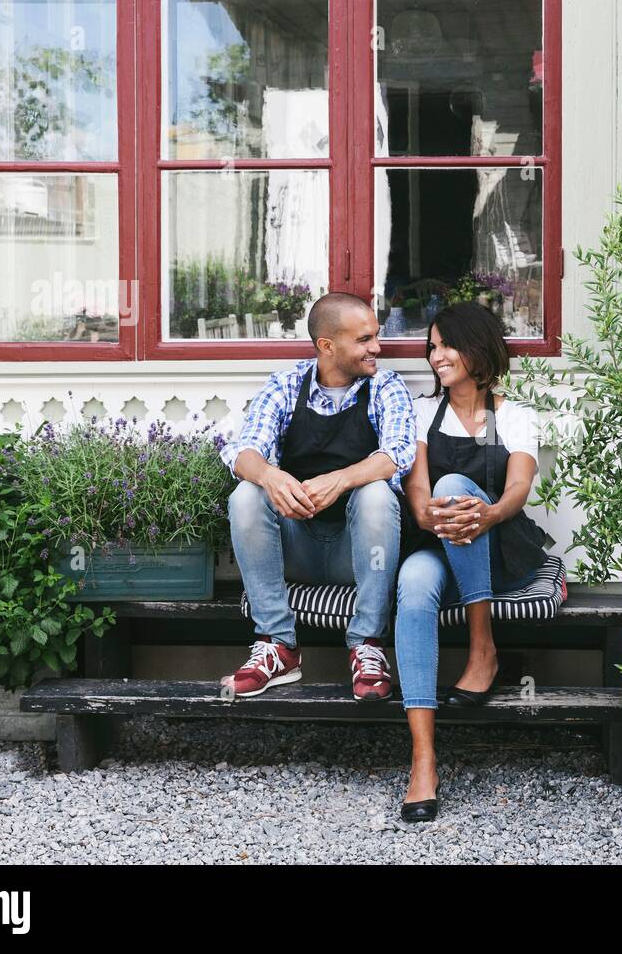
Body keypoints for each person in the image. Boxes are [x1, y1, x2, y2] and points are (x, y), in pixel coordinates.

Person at [393, 302, 550, 822]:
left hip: (499, 546)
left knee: (455, 486)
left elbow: (518, 490)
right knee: (414, 583)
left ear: (478, 349)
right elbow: (417, 494)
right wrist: (430, 514)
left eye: (447, 345)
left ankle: (483, 648)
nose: (436, 356)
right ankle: (423, 759)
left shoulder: (512, 415)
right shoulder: (421, 413)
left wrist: (486, 515)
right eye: (431, 347)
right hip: (437, 542)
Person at [219, 292, 416, 701]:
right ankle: (278, 645)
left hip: (357, 553)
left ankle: (368, 646)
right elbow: (242, 451)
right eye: (364, 340)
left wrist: (342, 479)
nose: (376, 348)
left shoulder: (385, 385)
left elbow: (399, 454)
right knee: (245, 495)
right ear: (327, 346)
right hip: (298, 550)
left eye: (375, 336)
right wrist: (271, 476)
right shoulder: (287, 384)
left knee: (377, 492)